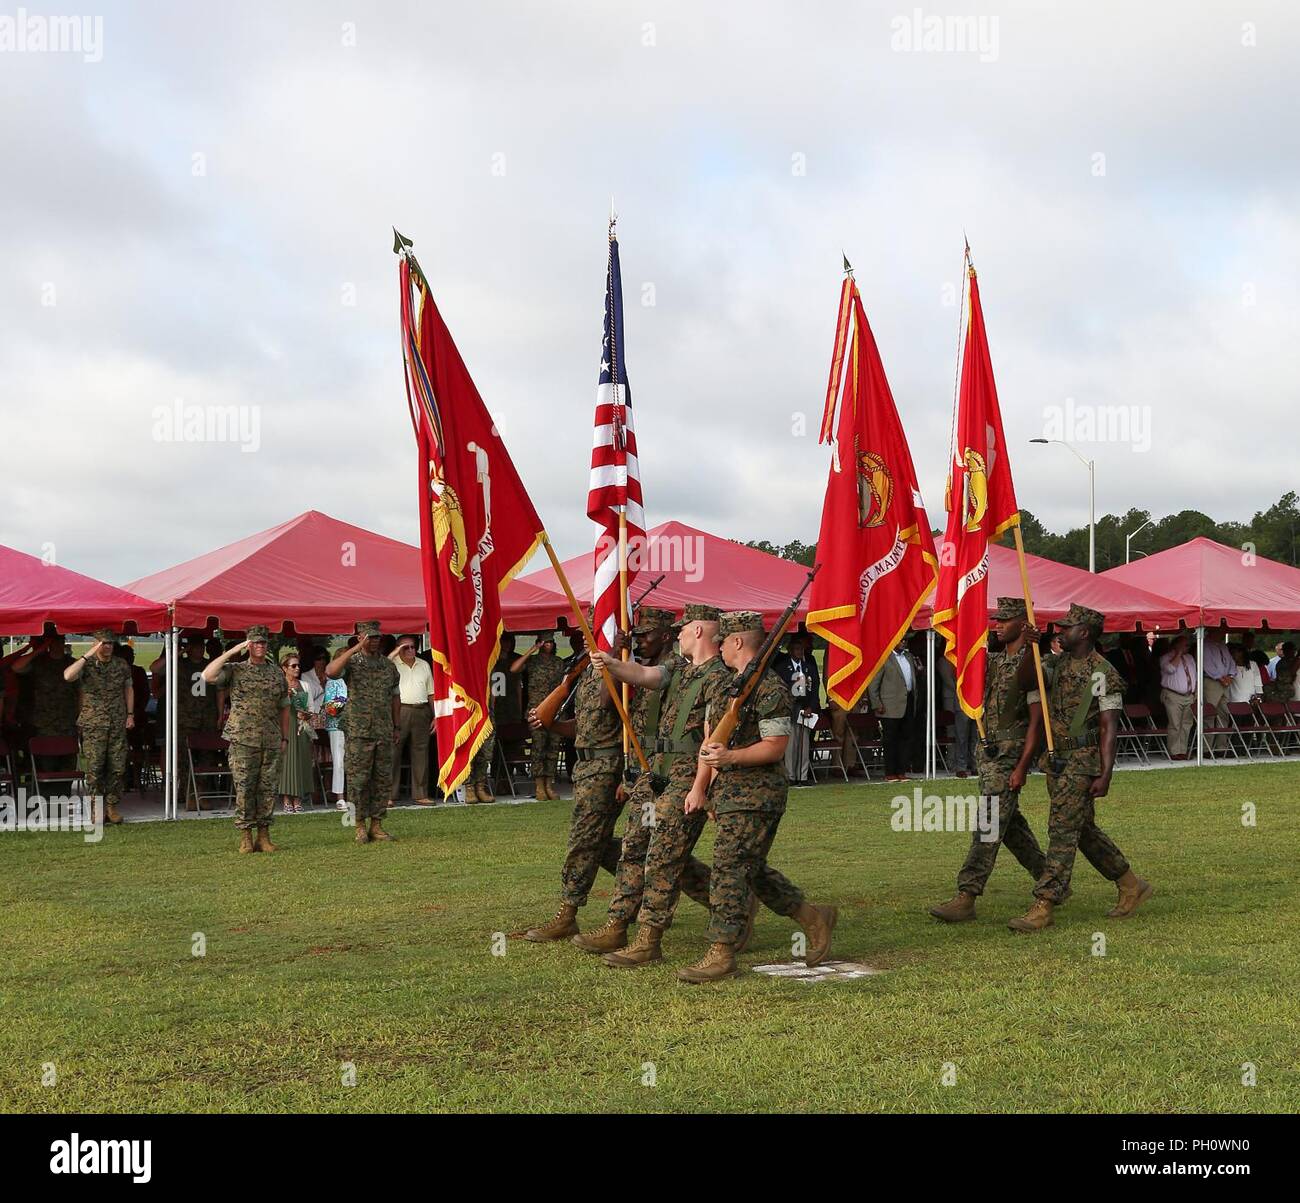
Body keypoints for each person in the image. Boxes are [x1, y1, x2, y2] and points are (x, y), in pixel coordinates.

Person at [678, 610, 838, 983]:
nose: (718, 647)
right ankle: (813, 916)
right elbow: (711, 741)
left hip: (759, 794)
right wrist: (705, 787)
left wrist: (729, 758)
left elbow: (775, 746)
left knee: (730, 868)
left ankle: (721, 951)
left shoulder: (770, 689)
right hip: (729, 792)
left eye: (724, 641)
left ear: (737, 642)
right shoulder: (725, 687)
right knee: (749, 868)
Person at [590, 605, 731, 967]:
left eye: (684, 629)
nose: (679, 633)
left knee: (663, 857)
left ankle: (649, 938)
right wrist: (608, 663)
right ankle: (617, 924)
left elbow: (712, 739)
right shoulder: (680, 670)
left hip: (686, 776)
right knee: (633, 848)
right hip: (657, 773)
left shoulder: (719, 678)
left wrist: (701, 788)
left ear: (699, 631)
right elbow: (642, 675)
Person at [1009, 603, 1153, 932]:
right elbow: (1026, 681)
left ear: (1084, 632)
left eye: (1066, 627)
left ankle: (1044, 903)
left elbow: (1108, 728)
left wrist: (1105, 773)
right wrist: (1031, 649)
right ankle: (1131, 884)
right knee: (1082, 830)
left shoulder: (1104, 673)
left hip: (1082, 761)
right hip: (1056, 759)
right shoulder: (1055, 663)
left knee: (1061, 828)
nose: (1059, 631)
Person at [929, 599, 1048, 923]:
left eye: (1005, 620)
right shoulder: (994, 660)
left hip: (1011, 755)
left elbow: (1037, 721)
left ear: (1023, 625)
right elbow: (962, 668)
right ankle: (1051, 879)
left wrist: (1023, 766)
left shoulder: (1036, 662)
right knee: (1010, 826)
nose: (997, 624)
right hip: (990, 753)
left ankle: (967, 894)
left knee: (989, 822)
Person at [518, 613, 629, 941]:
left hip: (606, 768)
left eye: (589, 631)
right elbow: (582, 726)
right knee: (604, 846)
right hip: (585, 767)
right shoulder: (581, 673)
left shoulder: (615, 668)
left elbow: (611, 700)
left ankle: (567, 915)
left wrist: (612, 659)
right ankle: (663, 884)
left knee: (583, 841)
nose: (582, 637)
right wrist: (550, 722)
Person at [204, 626, 290, 852]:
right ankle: (245, 836)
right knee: (245, 788)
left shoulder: (276, 673)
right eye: (255, 642)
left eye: (263, 642)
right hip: (243, 739)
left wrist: (284, 737)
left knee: (267, 789)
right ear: (248, 645)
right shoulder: (236, 669)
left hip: (270, 738)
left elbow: (283, 706)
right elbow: (208, 676)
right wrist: (232, 651)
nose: (260, 646)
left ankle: (264, 835)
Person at [327, 621, 401, 843]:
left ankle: (377, 825)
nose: (374, 641)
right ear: (360, 638)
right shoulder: (352, 662)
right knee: (358, 780)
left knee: (381, 780)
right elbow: (331, 672)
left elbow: (395, 697)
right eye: (369, 637)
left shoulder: (388, 667)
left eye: (377, 637)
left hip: (383, 730)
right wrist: (354, 649)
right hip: (359, 731)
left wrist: (396, 726)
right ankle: (358, 824)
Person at [62, 630, 133, 824]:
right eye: (103, 643)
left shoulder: (121, 664)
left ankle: (111, 805)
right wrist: (88, 655)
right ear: (95, 644)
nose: (108, 646)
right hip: (94, 724)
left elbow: (128, 688)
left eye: (110, 643)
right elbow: (68, 676)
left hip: (117, 722)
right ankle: (96, 806)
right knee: (95, 767)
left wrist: (130, 714)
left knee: (117, 766)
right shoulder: (87, 665)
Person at [511, 633, 564, 799]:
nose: (549, 645)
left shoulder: (558, 663)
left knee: (553, 748)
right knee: (538, 748)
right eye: (545, 642)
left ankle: (549, 784)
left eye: (551, 642)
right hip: (536, 711)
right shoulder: (532, 662)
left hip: (555, 711)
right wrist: (532, 650)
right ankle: (539, 786)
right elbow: (514, 668)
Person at [467, 631, 514, 804]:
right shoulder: (467, 666)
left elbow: (494, 691)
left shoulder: (490, 666)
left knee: (486, 753)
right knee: (471, 752)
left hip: (488, 713)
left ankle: (481, 786)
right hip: (471, 714)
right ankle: (469, 787)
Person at [388, 636, 435, 805]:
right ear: (397, 648)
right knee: (393, 752)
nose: (410, 651)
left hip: (421, 710)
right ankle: (388, 795)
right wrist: (394, 654)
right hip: (400, 710)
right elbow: (379, 670)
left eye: (413, 647)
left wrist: (435, 715)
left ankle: (420, 793)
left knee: (421, 752)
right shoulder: (391, 664)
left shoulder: (424, 665)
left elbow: (431, 692)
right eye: (405, 648)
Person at [771, 630, 820, 785]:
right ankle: (791, 775)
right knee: (791, 743)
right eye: (797, 649)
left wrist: (811, 707)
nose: (800, 652)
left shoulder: (808, 667)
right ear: (790, 650)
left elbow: (814, 688)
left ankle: (802, 775)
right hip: (790, 707)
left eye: (802, 650)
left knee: (804, 742)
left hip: (805, 707)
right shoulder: (782, 667)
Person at [867, 640, 916, 782]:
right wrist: (876, 703)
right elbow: (874, 683)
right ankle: (890, 772)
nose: (904, 642)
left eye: (906, 640)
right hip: (889, 706)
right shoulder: (884, 658)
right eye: (901, 640)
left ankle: (902, 771)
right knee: (890, 740)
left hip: (907, 703)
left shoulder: (909, 657)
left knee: (905, 739)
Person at [277, 650, 315, 812]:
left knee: (301, 762)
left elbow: (312, 709)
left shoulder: (305, 685)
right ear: (284, 668)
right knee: (286, 764)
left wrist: (305, 714)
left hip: (301, 728)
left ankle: (298, 798)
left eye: (298, 665)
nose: (297, 668)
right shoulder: (279, 685)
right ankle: (286, 799)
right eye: (293, 666)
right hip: (284, 728)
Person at [935, 644, 974, 777]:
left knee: (974, 736)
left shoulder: (974, 659)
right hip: (959, 699)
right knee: (961, 735)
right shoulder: (947, 660)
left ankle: (974, 764)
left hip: (974, 701)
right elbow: (949, 680)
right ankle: (960, 766)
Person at [1158, 633, 1198, 759]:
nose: (1187, 646)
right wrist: (1178, 654)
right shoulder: (1165, 657)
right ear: (1176, 645)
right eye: (1184, 644)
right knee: (1175, 724)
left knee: (1186, 724)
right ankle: (1174, 751)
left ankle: (1183, 750)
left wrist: (1195, 691)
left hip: (1189, 695)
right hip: (1173, 695)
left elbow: (1194, 674)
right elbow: (1170, 669)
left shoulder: (1190, 657)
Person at [1200, 627, 1236, 753]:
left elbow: (1231, 662)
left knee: (1224, 714)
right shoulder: (1204, 645)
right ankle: (1206, 748)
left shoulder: (1223, 646)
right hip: (1212, 682)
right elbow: (1207, 664)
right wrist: (1220, 678)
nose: (1223, 634)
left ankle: (1221, 747)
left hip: (1225, 683)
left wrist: (1231, 676)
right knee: (1209, 714)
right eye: (1221, 632)